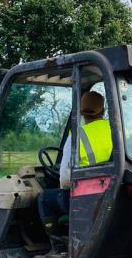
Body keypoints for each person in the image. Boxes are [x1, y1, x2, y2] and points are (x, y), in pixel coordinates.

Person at [38, 90, 112, 238]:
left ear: (81, 112)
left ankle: (58, 246)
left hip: (83, 199)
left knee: (44, 198)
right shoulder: (117, 131)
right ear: (103, 110)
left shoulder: (77, 137)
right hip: (109, 195)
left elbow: (65, 179)